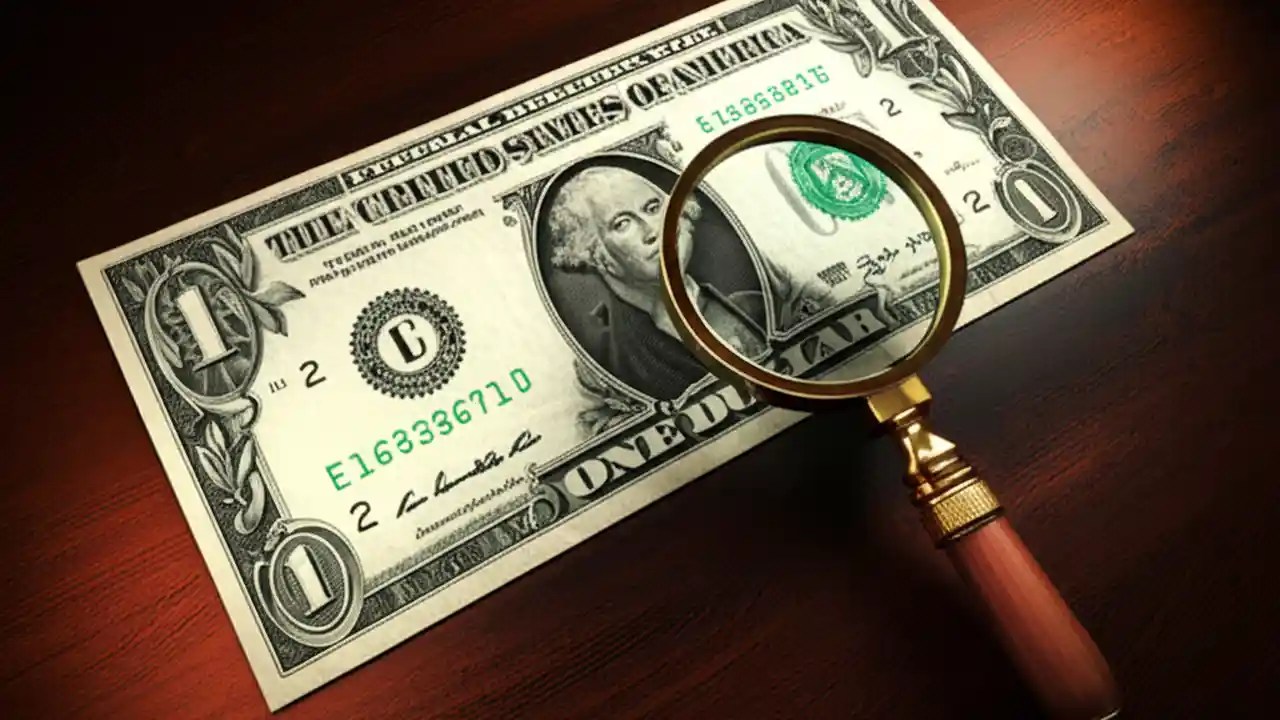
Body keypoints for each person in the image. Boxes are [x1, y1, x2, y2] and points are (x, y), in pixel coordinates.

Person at [545, 165, 771, 400]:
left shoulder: (755, 306)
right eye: (622, 223)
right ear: (593, 252)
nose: (653, 230)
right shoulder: (606, 370)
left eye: (653, 208)